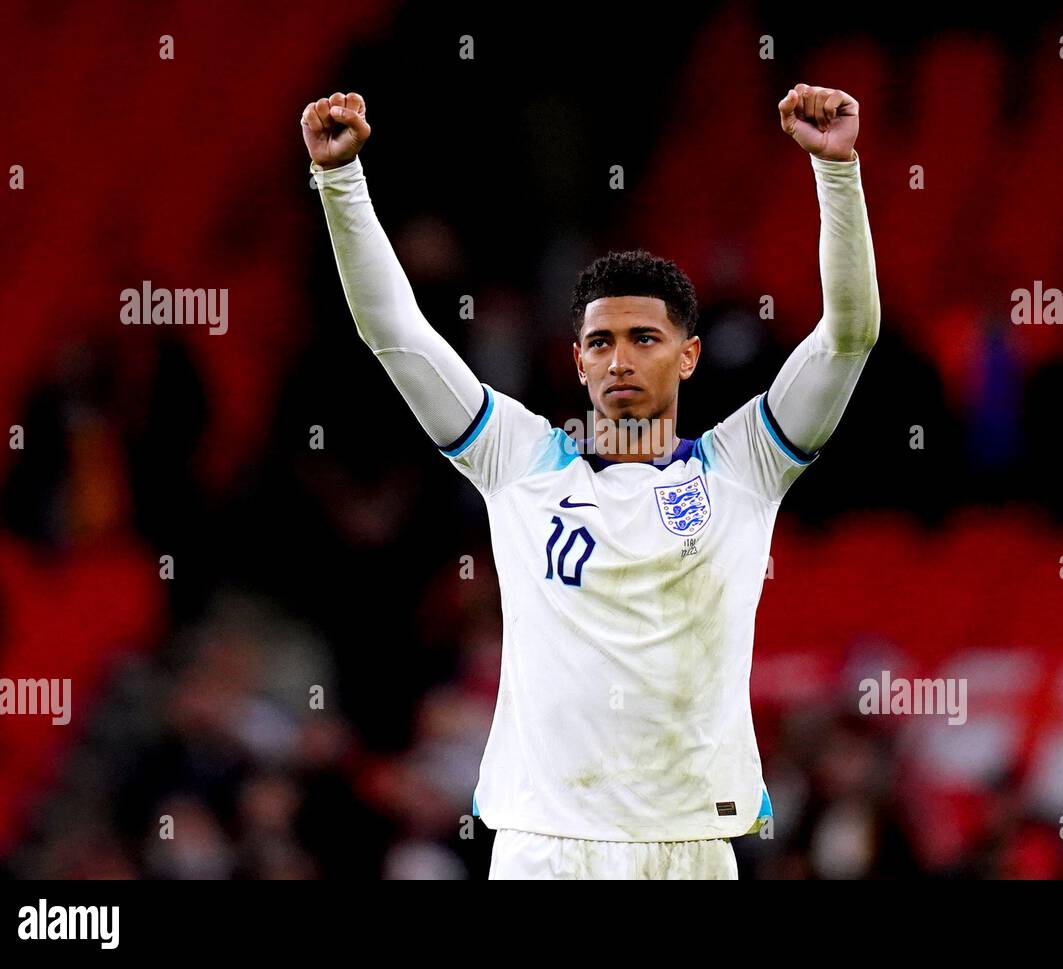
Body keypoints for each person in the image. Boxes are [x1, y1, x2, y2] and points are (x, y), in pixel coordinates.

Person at [301, 83, 879, 879]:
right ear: (576, 360)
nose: (619, 358)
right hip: (546, 844)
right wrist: (341, 182)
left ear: (689, 356)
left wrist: (838, 173)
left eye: (645, 337)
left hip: (691, 844)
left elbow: (849, 337)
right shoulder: (518, 459)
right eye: (600, 341)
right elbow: (393, 330)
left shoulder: (743, 465)